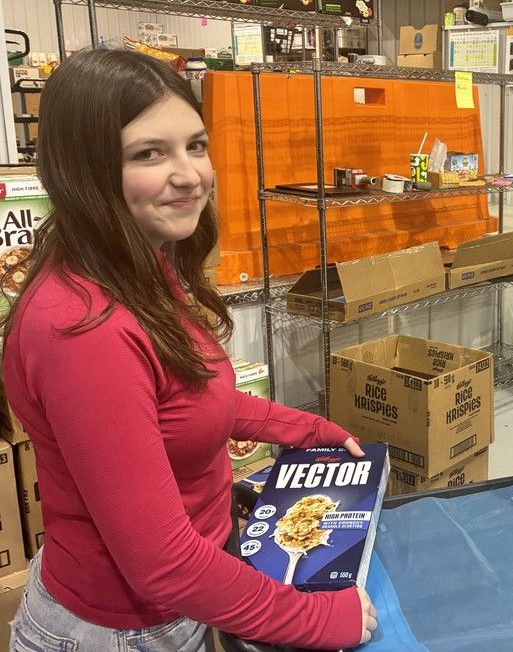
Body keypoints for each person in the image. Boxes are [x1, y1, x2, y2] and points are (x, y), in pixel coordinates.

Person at [0, 50, 378, 650]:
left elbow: (186, 399)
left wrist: (305, 430)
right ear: (86, 169)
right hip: (125, 630)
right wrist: (320, 620)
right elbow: (163, 563)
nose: (191, 175)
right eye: (149, 153)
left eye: (196, 145)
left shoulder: (139, 262)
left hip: (184, 604)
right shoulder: (81, 328)